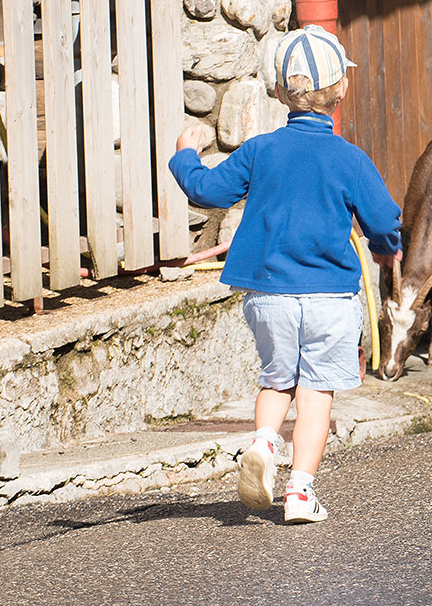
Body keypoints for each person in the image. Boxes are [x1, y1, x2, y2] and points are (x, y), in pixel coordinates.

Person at [169, 26, 402, 523]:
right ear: (342, 89)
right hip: (329, 298)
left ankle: (262, 443)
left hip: (267, 294)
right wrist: (386, 251)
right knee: (316, 390)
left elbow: (207, 190)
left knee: (277, 378)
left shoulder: (261, 150)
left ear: (279, 93)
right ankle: (300, 491)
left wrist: (185, 154)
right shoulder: (350, 159)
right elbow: (383, 223)